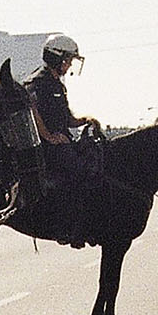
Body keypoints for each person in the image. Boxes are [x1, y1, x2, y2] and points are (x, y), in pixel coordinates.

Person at [27, 32, 101, 246]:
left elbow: (67, 119)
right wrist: (48, 136)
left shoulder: (57, 84)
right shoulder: (37, 82)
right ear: (56, 57)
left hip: (62, 141)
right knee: (78, 171)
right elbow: (31, 111)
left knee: (94, 161)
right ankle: (68, 226)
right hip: (45, 147)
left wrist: (85, 120)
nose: (69, 65)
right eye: (68, 60)